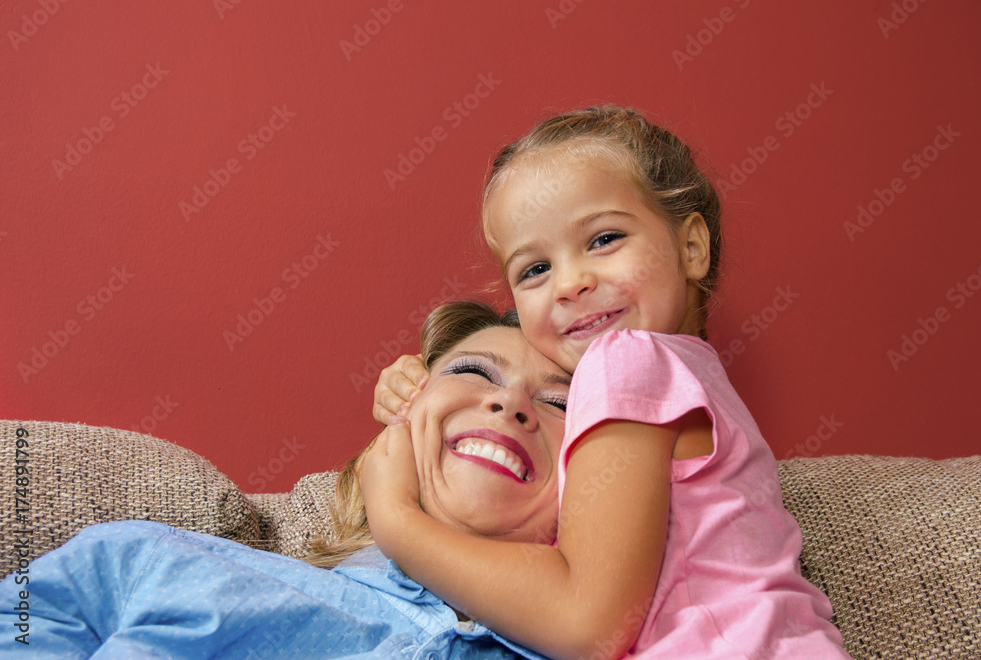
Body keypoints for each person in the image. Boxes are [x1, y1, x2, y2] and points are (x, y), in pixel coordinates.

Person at [363, 106, 851, 659]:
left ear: (691, 247)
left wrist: (398, 523)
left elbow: (587, 623)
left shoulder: (627, 360)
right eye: (535, 269)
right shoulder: (683, 376)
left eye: (604, 239)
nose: (570, 283)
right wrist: (424, 384)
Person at [0, 300, 571, 659]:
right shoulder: (146, 560)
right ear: (403, 409)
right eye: (472, 371)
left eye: (561, 403)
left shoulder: (602, 639)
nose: (511, 403)